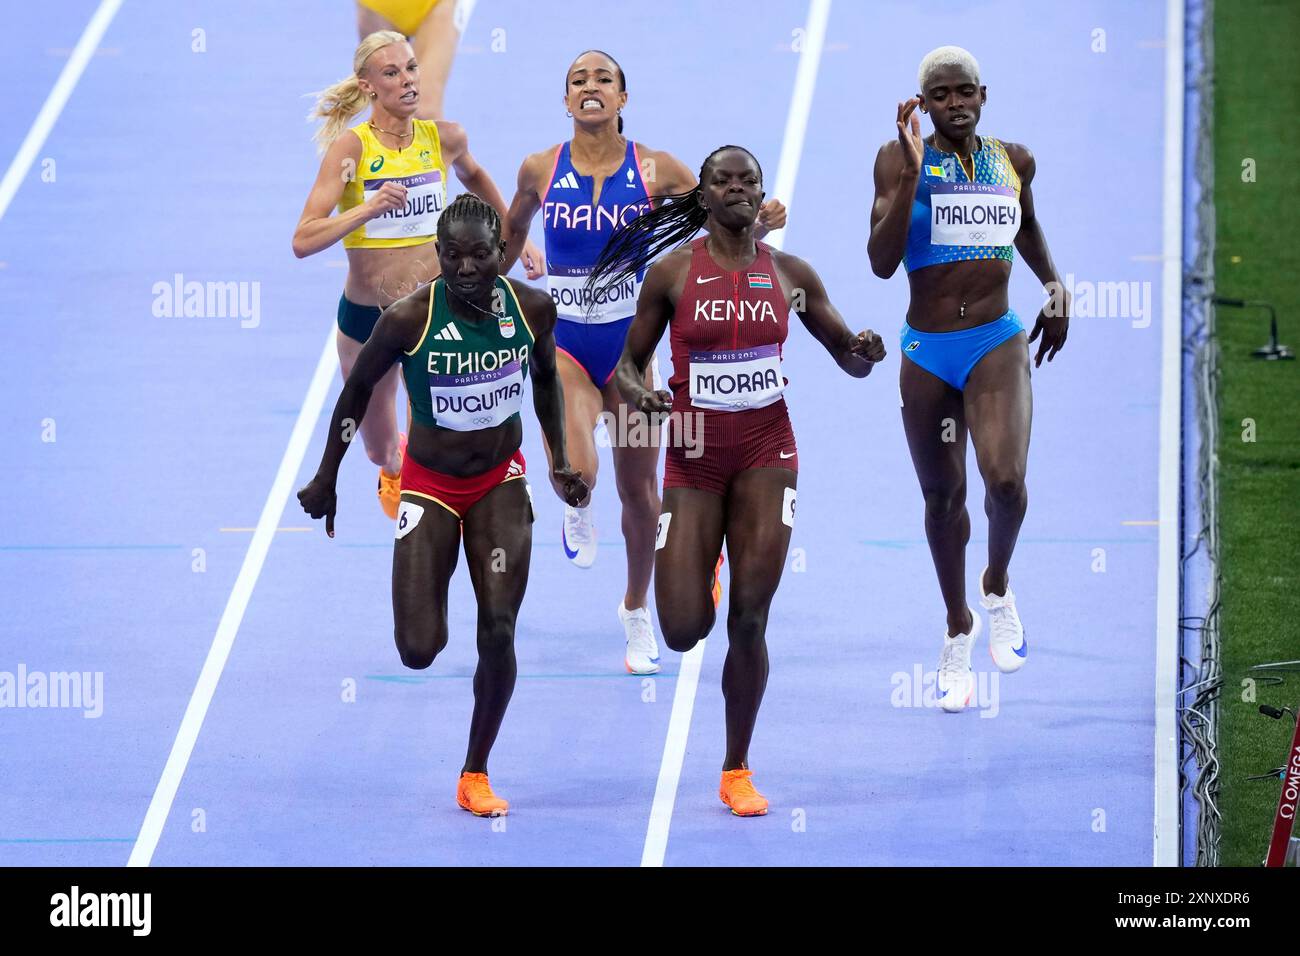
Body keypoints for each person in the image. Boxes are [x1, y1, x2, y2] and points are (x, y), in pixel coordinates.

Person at [599, 146, 885, 815]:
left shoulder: (791, 275)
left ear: (762, 196)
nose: (735, 189)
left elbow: (848, 358)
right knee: (681, 629)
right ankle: (704, 559)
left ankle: (736, 768)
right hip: (694, 453)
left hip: (767, 450)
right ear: (703, 195)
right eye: (722, 181)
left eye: (746, 181)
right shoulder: (671, 274)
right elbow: (627, 367)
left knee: (750, 619)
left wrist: (864, 351)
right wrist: (640, 396)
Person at [297, 194, 588, 816]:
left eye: (479, 255)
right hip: (427, 486)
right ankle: (417, 566)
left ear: (500, 254)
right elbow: (355, 391)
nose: (464, 268)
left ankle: (475, 770)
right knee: (419, 649)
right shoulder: (407, 319)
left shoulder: (532, 308)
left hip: (499, 484)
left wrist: (560, 459)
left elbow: (544, 384)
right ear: (437, 254)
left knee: (499, 629)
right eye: (451, 256)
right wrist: (326, 475)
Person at [499, 50, 787, 674]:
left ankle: (635, 611)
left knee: (640, 496)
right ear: (567, 98)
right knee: (576, 469)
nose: (591, 87)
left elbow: (719, 222)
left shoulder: (653, 168)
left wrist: (758, 224)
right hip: (569, 348)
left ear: (623, 98)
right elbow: (508, 237)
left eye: (604, 79)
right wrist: (482, 281)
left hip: (632, 354)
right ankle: (575, 507)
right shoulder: (539, 168)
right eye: (579, 80)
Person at [867, 45, 1069, 713]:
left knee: (1005, 481)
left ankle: (997, 583)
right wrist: (910, 178)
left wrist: (1055, 285)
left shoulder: (1015, 160)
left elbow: (1026, 224)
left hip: (994, 339)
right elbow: (879, 262)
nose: (954, 104)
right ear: (922, 105)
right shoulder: (898, 161)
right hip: (927, 350)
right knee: (942, 500)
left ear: (983, 94)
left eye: (965, 92)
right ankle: (957, 624)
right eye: (940, 96)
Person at [294, 30, 541, 519]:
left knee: (442, 429)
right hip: (367, 318)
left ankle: (455, 501)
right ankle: (393, 470)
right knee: (379, 449)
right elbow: (303, 240)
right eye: (392, 73)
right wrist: (365, 210)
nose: (408, 80)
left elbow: (475, 176)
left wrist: (519, 234)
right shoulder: (352, 150)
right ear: (368, 86)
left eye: (411, 68)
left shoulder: (443, 137)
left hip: (433, 313)